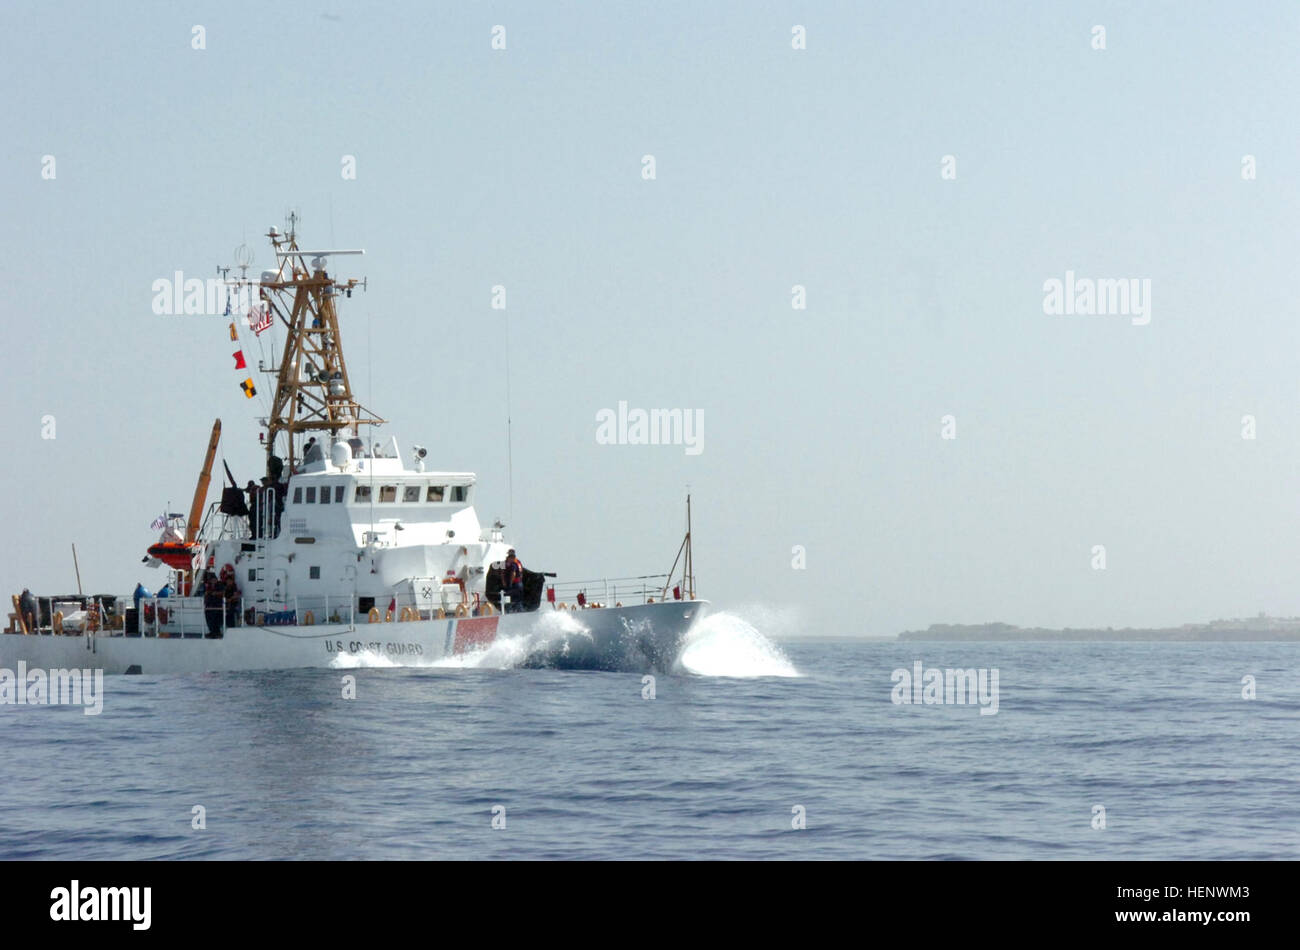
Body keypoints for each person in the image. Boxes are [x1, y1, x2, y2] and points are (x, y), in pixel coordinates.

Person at [203, 571, 224, 639]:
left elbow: (223, 593)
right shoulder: (208, 586)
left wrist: (216, 593)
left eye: (214, 579)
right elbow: (206, 594)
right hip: (209, 605)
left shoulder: (220, 585)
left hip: (217, 605)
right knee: (209, 619)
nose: (213, 580)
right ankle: (212, 632)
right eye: (212, 579)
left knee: (216, 620)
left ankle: (217, 633)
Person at [222, 564, 241, 630]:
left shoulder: (234, 587)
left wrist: (230, 599)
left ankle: (231, 628)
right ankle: (228, 627)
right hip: (226, 604)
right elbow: (223, 596)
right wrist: (228, 600)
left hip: (233, 604)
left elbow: (235, 596)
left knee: (231, 613)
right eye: (228, 581)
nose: (229, 582)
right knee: (227, 615)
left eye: (230, 581)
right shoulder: (225, 588)